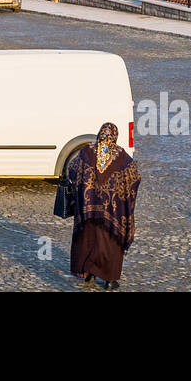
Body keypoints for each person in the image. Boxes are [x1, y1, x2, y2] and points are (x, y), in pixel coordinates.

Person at [54, 122, 140, 290]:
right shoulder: (121, 157)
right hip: (112, 213)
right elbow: (135, 177)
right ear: (115, 136)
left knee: (88, 240)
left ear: (100, 134)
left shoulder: (86, 152)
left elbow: (71, 170)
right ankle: (109, 280)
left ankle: (89, 274)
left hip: (88, 211)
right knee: (111, 244)